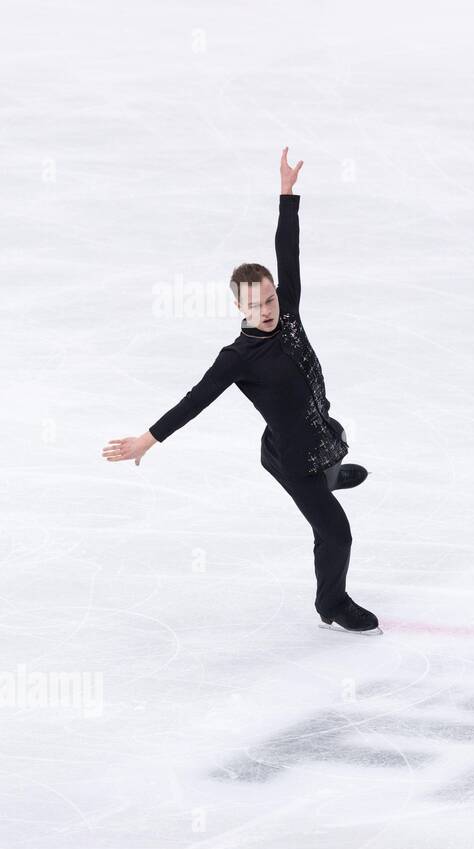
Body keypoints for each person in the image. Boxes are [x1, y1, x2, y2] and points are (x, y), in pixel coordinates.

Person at [102, 149, 382, 632]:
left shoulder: (288, 307)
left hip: (319, 432)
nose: (268, 309)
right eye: (256, 304)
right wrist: (147, 439)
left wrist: (287, 195)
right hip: (292, 457)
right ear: (239, 305)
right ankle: (331, 605)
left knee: (333, 450)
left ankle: (331, 476)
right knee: (335, 533)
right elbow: (194, 401)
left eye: (270, 298)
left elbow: (287, 250)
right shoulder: (237, 358)